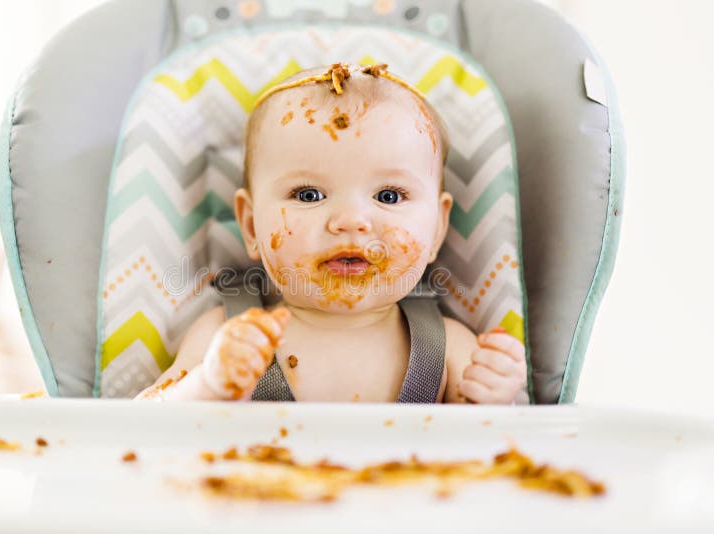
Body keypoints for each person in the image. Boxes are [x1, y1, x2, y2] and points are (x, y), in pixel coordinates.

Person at [136, 63, 527, 404]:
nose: (351, 221)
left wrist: (493, 398)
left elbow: (492, 445)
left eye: (389, 196)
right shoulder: (226, 336)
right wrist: (206, 386)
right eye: (309, 195)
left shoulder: (450, 350)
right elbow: (144, 419)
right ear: (252, 226)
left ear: (438, 229)